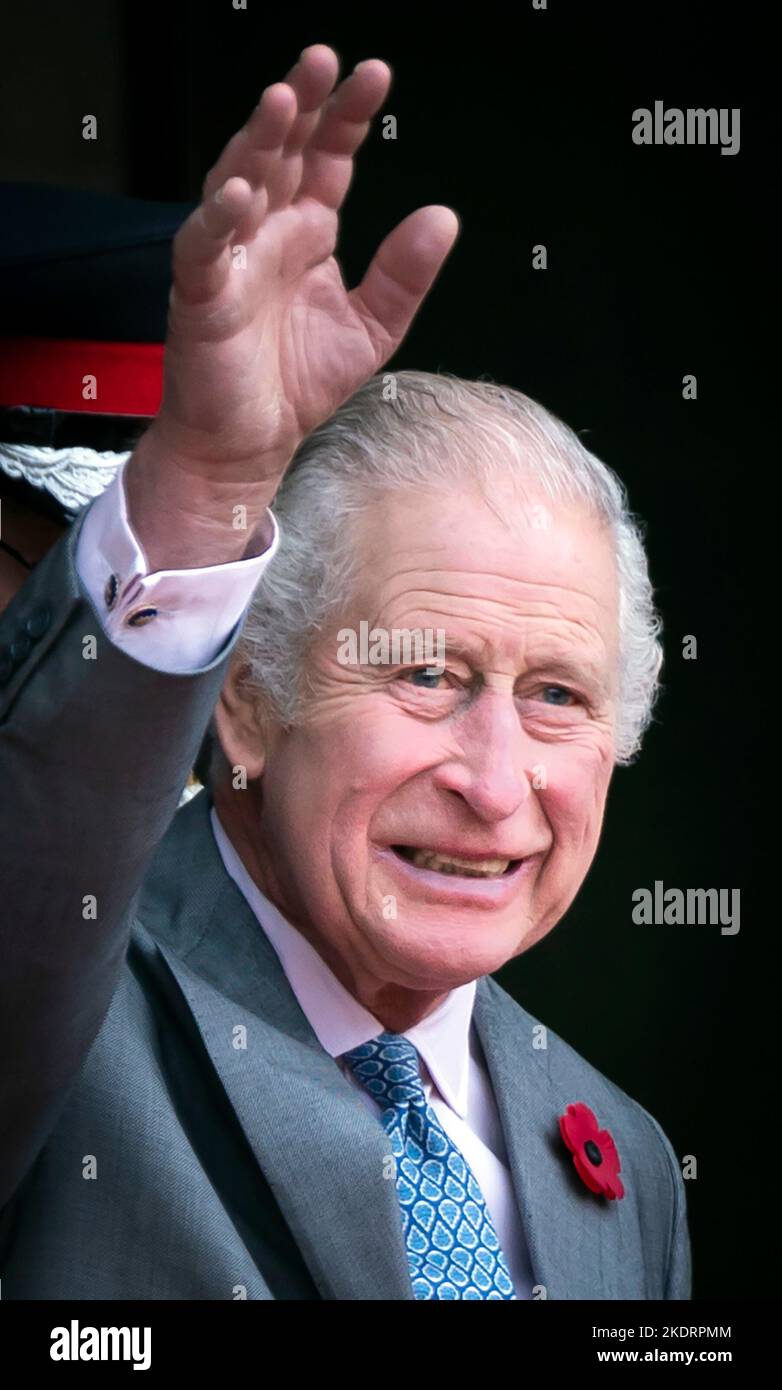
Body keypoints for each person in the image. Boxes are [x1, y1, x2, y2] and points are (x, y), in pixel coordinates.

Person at [0, 43, 691, 1300]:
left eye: (556, 696)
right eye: (423, 673)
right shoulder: (58, 1019)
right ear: (249, 699)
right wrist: (207, 477)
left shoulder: (621, 1157)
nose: (494, 785)